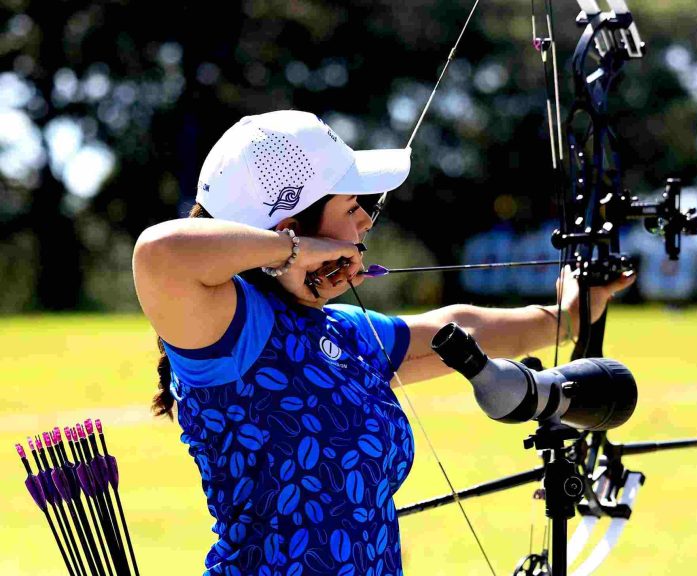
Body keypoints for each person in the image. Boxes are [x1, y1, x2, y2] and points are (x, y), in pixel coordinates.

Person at [132, 110, 634, 575]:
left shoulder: (340, 331)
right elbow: (159, 254)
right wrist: (293, 251)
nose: (366, 221)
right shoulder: (228, 330)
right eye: (351, 207)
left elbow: (458, 331)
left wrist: (571, 314)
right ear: (290, 226)